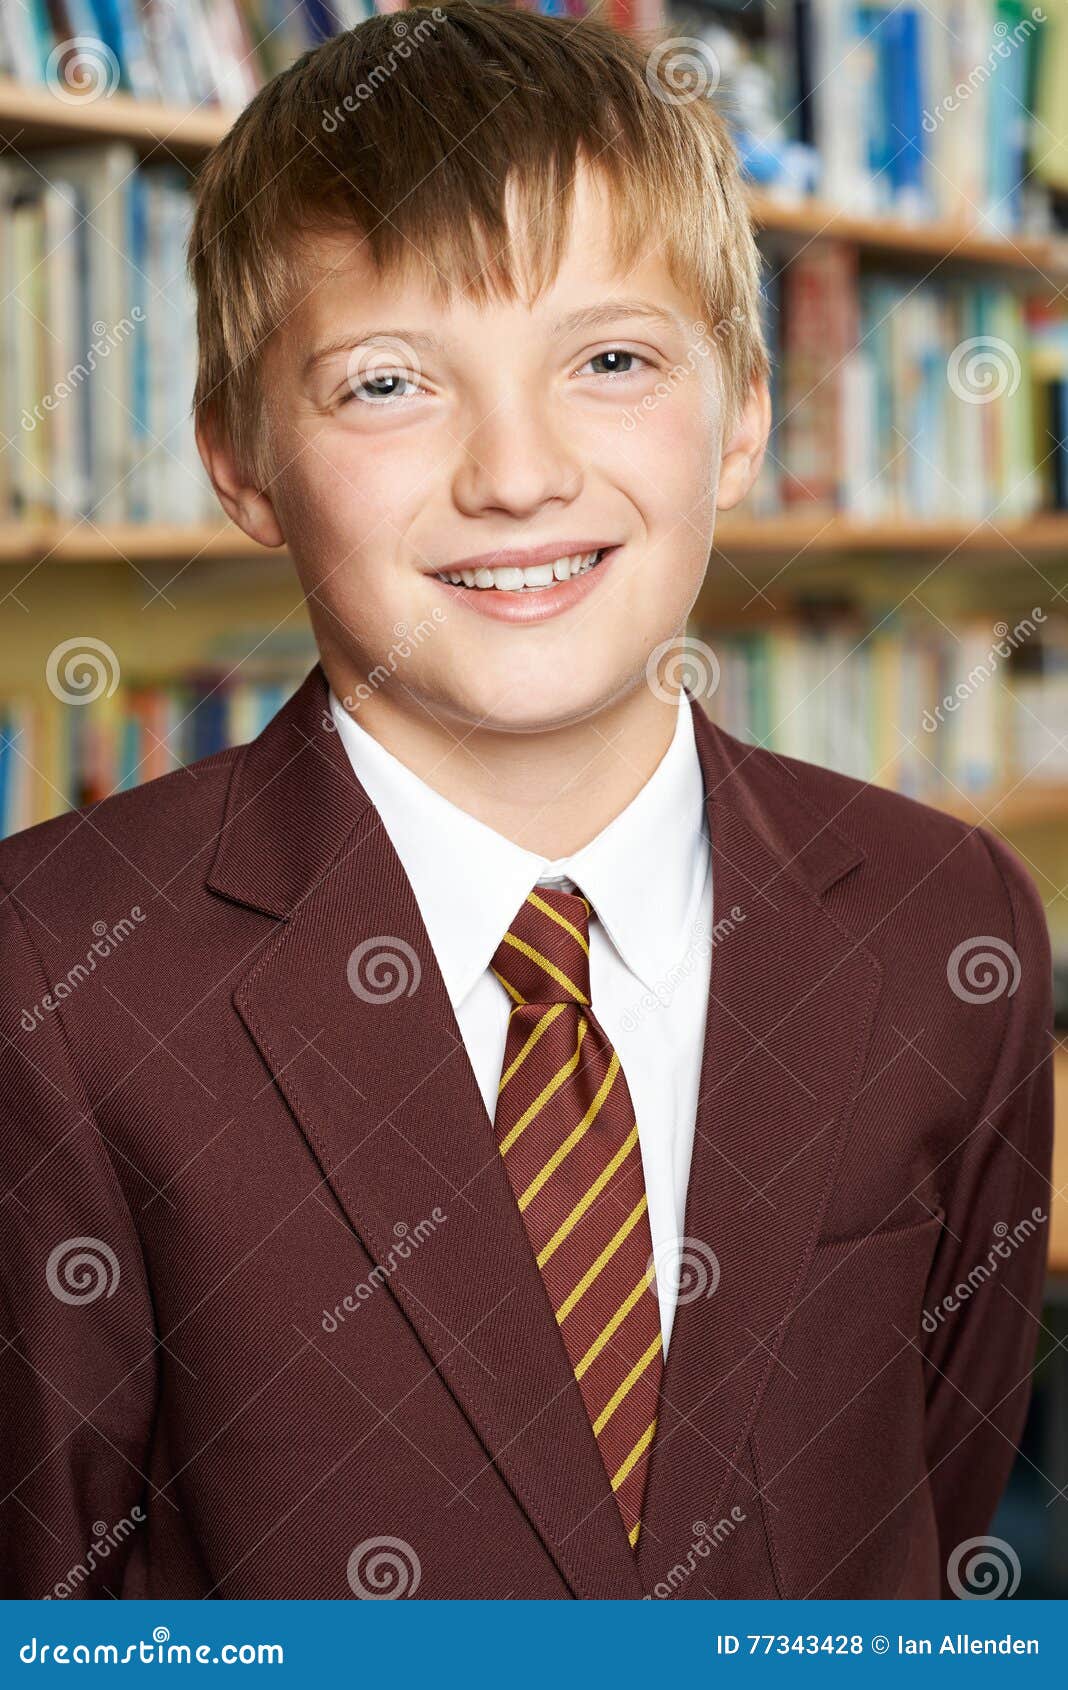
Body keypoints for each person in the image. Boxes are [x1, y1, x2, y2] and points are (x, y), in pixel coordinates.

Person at [0, 1, 1052, 1601]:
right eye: (386, 384)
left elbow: (937, 1481)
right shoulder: (57, 969)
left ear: (744, 414)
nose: (517, 473)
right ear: (241, 457)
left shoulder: (946, 919)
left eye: (612, 361)